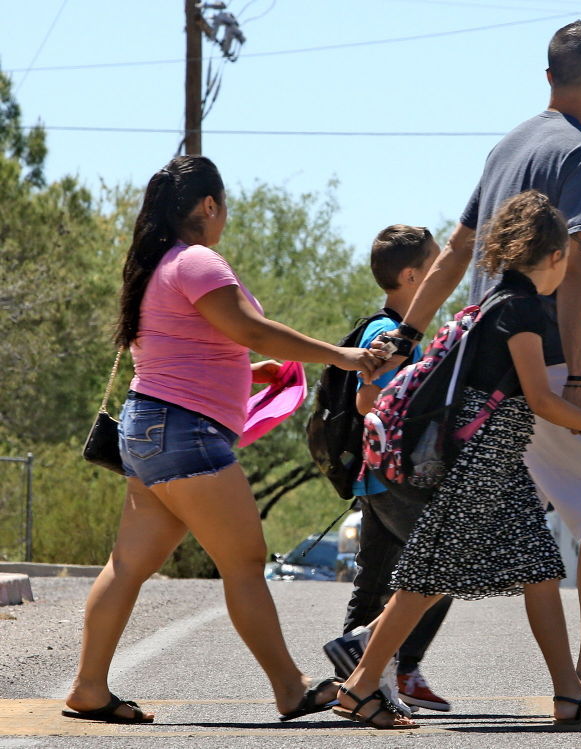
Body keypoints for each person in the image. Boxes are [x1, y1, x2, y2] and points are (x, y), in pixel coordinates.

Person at [371, 20, 581, 720]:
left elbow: (453, 251)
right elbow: (577, 264)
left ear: (548, 78)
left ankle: (367, 650)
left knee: (478, 529)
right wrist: (574, 375)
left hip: (484, 370)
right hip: (540, 361)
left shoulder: (507, 144)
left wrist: (410, 333)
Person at [62, 155, 381, 724]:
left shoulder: (157, 264)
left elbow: (188, 345)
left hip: (148, 427)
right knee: (245, 560)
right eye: (224, 206)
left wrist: (246, 371)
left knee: (128, 565)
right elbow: (248, 328)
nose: (225, 216)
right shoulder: (198, 260)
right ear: (208, 206)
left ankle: (89, 687)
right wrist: (343, 355)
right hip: (184, 431)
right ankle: (290, 687)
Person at [333, 191, 581, 729]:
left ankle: (569, 693)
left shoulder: (499, 302)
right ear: (553, 256)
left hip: (497, 462)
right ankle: (360, 686)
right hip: (478, 464)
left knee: (535, 570)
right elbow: (541, 400)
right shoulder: (519, 310)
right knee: (425, 578)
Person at [321, 225, 453, 713]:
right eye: (437, 265)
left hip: (379, 477)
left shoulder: (399, 328)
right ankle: (396, 669)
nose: (446, 273)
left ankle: (358, 677)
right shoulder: (389, 332)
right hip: (392, 476)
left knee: (376, 584)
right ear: (412, 274)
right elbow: (367, 399)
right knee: (443, 563)